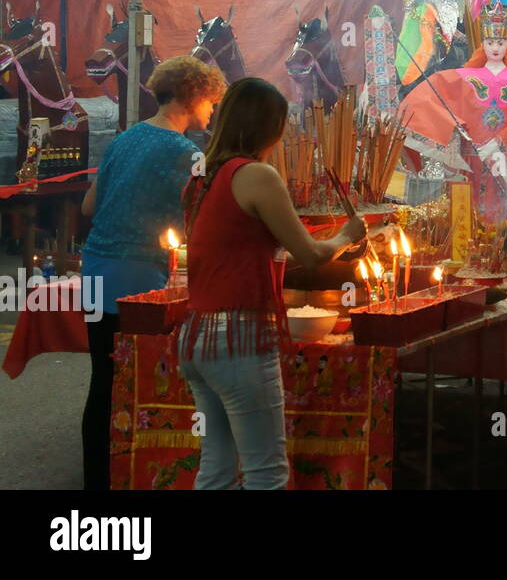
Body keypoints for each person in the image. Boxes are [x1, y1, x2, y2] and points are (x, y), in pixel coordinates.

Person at [178, 77, 366, 490]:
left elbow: (242, 248)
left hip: (196, 337)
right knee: (267, 473)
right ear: (274, 127)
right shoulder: (257, 176)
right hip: (238, 339)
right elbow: (312, 255)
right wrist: (348, 235)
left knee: (217, 468)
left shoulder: (201, 179)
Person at [79, 54, 226, 491]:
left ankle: (98, 481)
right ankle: (148, 475)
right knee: (151, 386)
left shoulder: (124, 140)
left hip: (96, 274)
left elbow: (89, 206)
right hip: (143, 281)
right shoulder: (188, 153)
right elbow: (205, 224)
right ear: (194, 97)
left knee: (102, 383)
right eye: (211, 102)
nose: (213, 111)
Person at [399, 1, 507, 227]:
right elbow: (428, 98)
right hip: (471, 160)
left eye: (500, 42)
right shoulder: (462, 78)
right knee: (467, 219)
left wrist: (501, 145)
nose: (495, 47)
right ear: (482, 43)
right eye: (490, 42)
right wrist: (451, 133)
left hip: (505, 161)